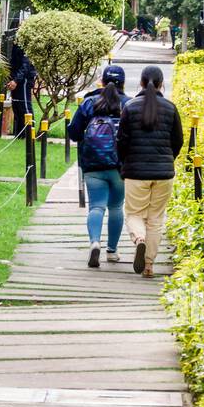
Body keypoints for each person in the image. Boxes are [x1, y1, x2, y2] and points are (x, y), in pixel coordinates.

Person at [116, 65, 184, 277]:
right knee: (156, 219)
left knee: (134, 213)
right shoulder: (171, 108)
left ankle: (139, 239)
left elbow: (121, 142)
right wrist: (167, 160)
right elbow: (178, 141)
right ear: (162, 83)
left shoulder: (130, 107)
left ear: (142, 83)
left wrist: (124, 163)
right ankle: (148, 265)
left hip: (135, 172)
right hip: (163, 174)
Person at [68, 65, 126, 268]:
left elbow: (74, 132)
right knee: (116, 207)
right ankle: (112, 251)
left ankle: (94, 242)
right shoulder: (128, 104)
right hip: (120, 166)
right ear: (123, 84)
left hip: (92, 164)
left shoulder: (89, 102)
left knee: (96, 206)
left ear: (101, 82)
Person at [5, 25, 36, 136]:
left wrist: (16, 80)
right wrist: (11, 79)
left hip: (24, 80)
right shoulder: (17, 43)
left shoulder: (27, 45)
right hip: (17, 78)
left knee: (25, 107)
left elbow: (25, 66)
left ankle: (29, 134)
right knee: (16, 107)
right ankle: (19, 135)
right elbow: (14, 63)